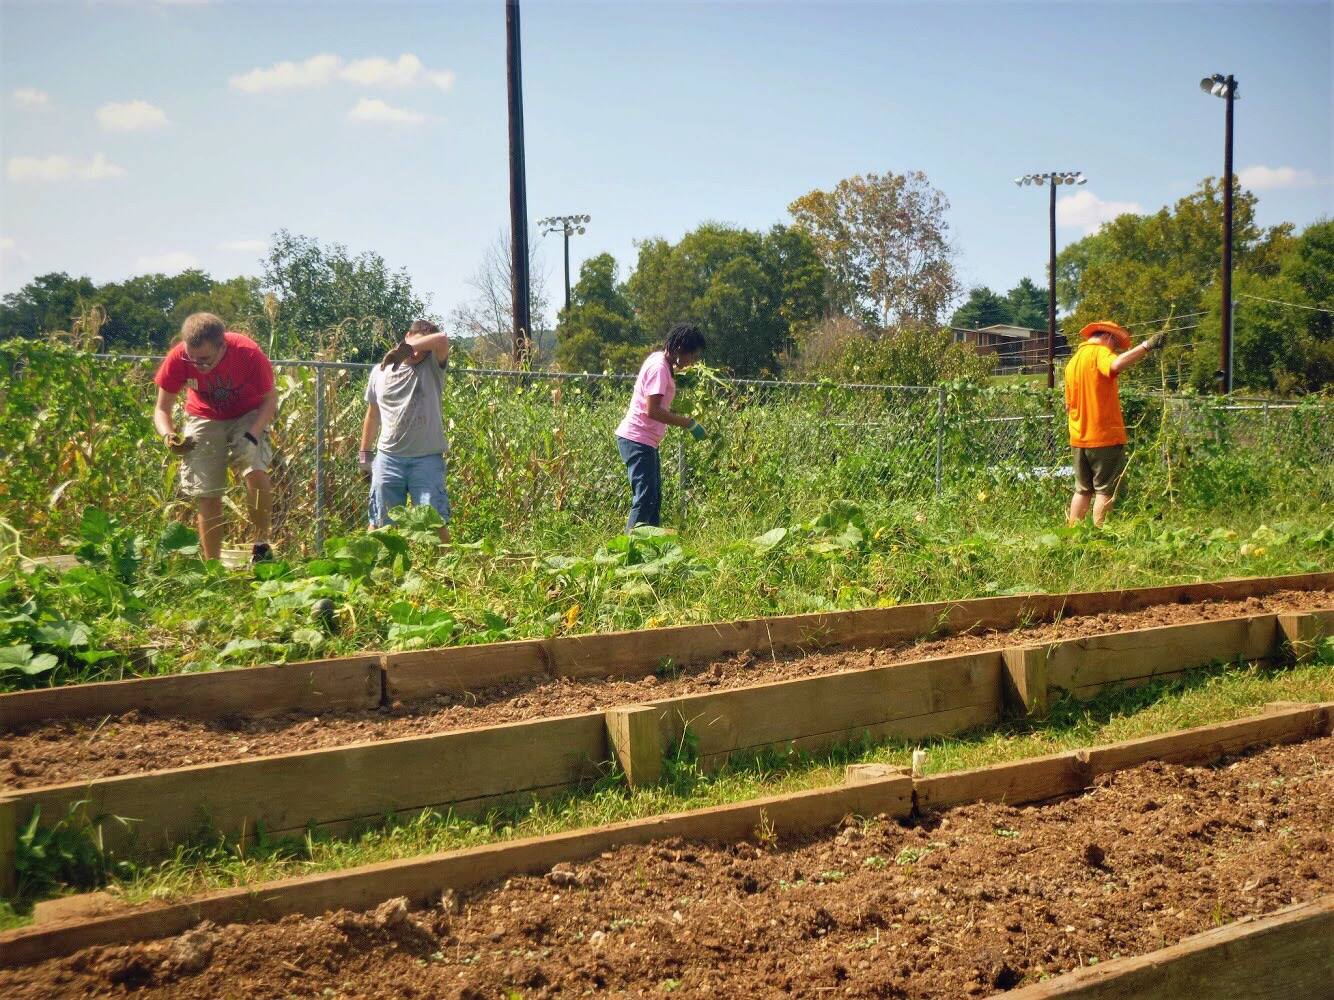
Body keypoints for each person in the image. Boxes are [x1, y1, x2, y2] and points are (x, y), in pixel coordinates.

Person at [153, 312, 278, 562]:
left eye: (204, 359)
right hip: (204, 415)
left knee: (254, 468)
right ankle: (213, 566)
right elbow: (161, 409)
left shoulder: (248, 353)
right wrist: (168, 435)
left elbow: (270, 399)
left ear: (223, 346)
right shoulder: (178, 358)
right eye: (192, 358)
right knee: (207, 489)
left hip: (247, 414)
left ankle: (261, 547)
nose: (197, 364)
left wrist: (252, 436)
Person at [1064, 320, 1165, 526]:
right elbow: (1115, 365)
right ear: (1107, 337)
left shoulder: (1073, 362)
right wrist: (1146, 346)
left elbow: (1068, 405)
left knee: (1082, 490)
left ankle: (1073, 534)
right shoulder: (1099, 352)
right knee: (1105, 490)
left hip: (1078, 437)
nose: (1115, 350)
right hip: (1103, 436)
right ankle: (1101, 534)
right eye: (1115, 345)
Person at [358, 320, 452, 542]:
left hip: (426, 460)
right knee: (380, 522)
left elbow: (442, 340)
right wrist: (364, 455)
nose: (417, 353)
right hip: (388, 459)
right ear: (407, 335)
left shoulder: (432, 366)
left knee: (433, 522)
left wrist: (409, 348)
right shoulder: (379, 372)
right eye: (414, 344)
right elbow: (372, 414)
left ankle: (449, 566)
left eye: (423, 349)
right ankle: (372, 564)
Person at [614, 322, 708, 532]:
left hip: (646, 441)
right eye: (692, 356)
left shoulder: (661, 362)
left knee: (654, 498)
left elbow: (658, 404)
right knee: (645, 498)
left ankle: (651, 547)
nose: (692, 362)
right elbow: (653, 411)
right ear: (680, 349)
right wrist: (688, 423)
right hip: (637, 439)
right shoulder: (659, 368)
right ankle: (630, 547)